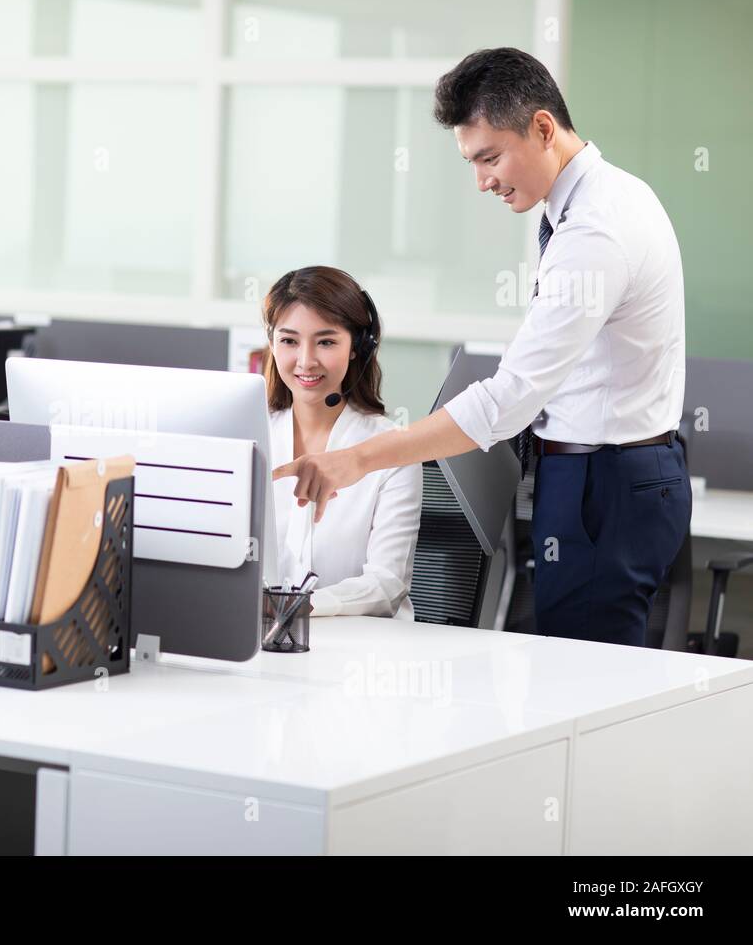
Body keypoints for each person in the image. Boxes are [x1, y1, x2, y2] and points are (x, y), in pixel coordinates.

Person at [273, 47, 688, 647]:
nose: (482, 180)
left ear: (543, 128)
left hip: (605, 483)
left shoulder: (596, 229)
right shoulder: (602, 202)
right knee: (578, 674)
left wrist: (359, 458)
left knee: (583, 683)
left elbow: (510, 398)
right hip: (605, 472)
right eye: (472, 161)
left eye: (490, 157)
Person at [263, 267, 421, 619]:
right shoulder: (250, 438)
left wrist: (294, 608)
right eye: (289, 341)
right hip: (259, 645)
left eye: (326, 341)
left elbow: (386, 585)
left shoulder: (391, 451)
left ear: (356, 347)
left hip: (361, 654)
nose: (306, 361)